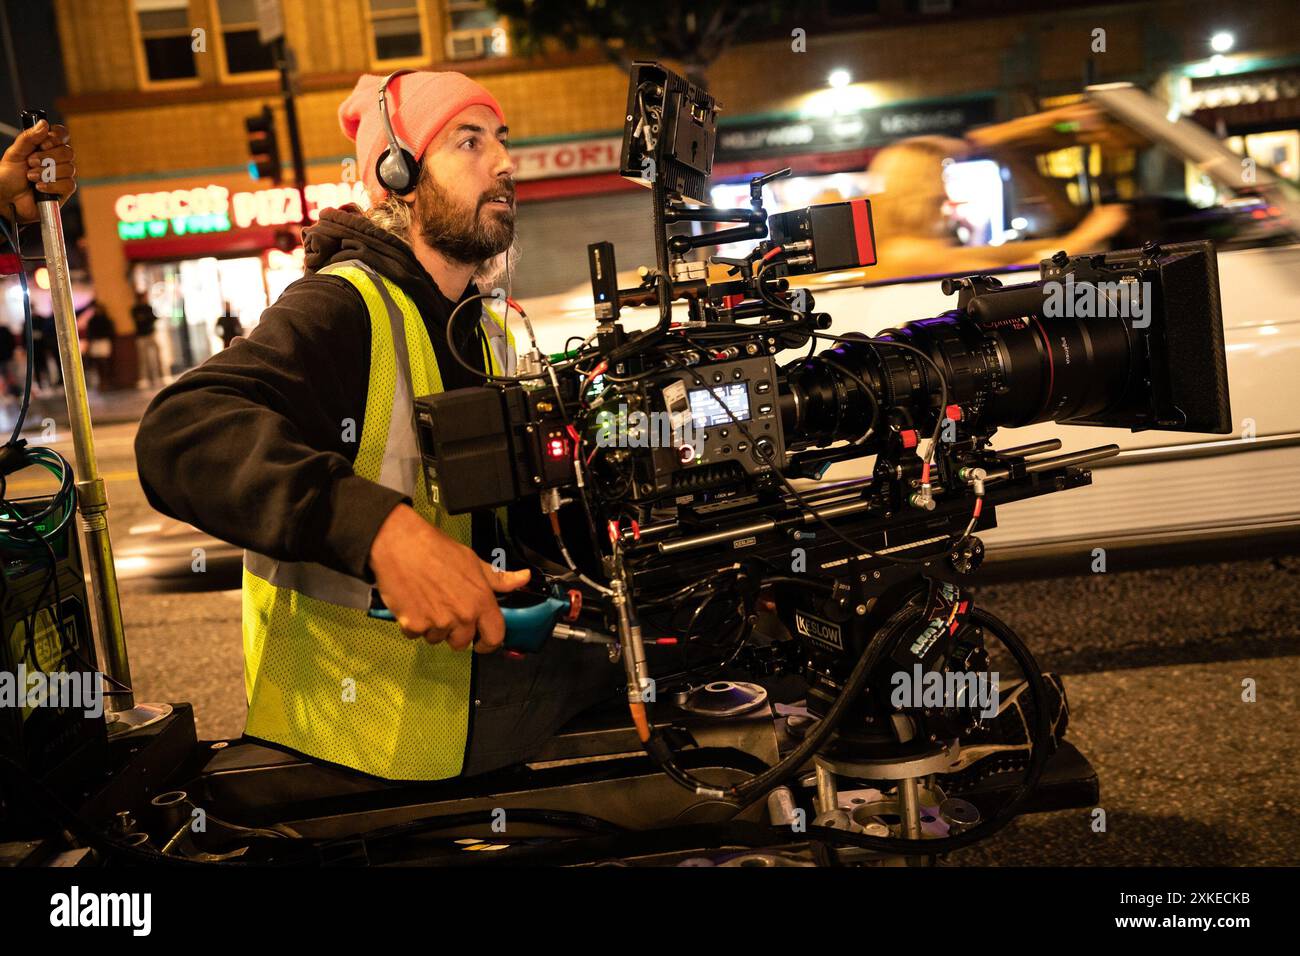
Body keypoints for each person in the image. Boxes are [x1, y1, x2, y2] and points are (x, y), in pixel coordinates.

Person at [135, 70, 624, 783]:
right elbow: (181, 431)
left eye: (502, 140)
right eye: (468, 141)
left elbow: (509, 522)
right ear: (398, 174)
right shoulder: (341, 305)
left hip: (469, 691)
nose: (504, 162)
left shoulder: (479, 326)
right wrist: (383, 533)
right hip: (362, 732)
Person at [131, 290, 163, 388]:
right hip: (141, 336)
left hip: (151, 334)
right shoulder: (135, 309)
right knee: (143, 359)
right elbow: (140, 320)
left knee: (155, 356)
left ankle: (157, 377)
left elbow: (152, 318)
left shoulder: (148, 307)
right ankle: (145, 379)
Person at [83, 299, 115, 390]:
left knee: (105, 362)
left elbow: (110, 330)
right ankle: (102, 382)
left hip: (104, 341)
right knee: (98, 363)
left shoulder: (105, 319)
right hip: (96, 342)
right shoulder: (92, 321)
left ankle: (107, 381)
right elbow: (90, 332)